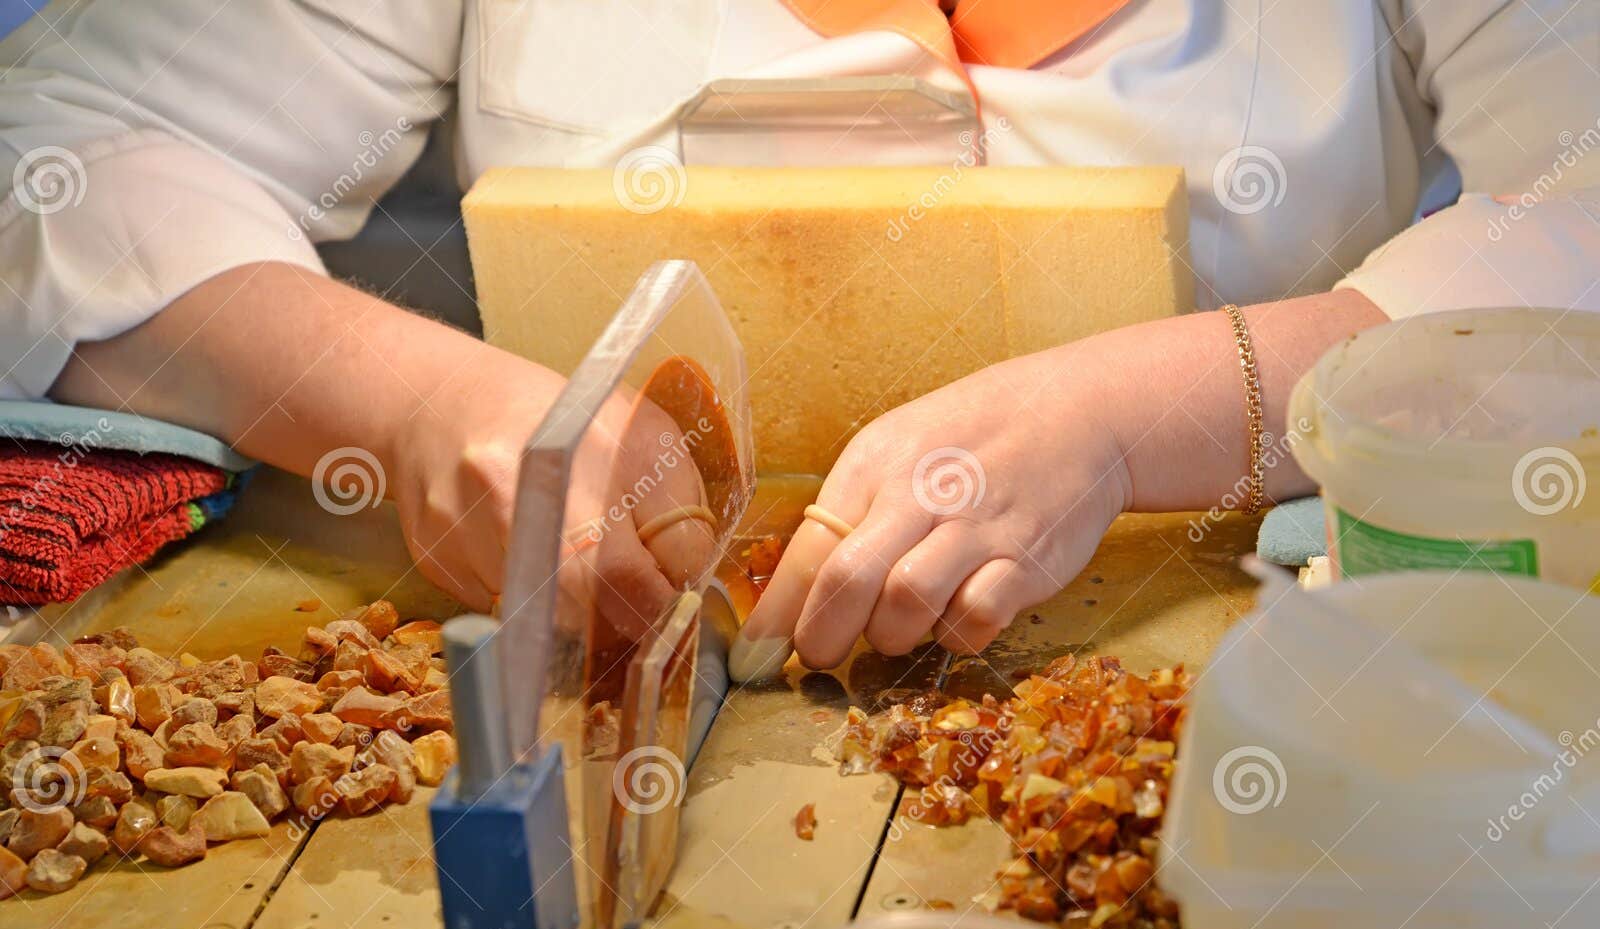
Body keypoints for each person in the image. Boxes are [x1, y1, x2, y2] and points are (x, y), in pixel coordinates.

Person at [1, 0, 1596, 666]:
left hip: (1253, 708)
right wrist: (415, 405)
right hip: (600, 669)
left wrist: (1151, 408)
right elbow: (60, 154)